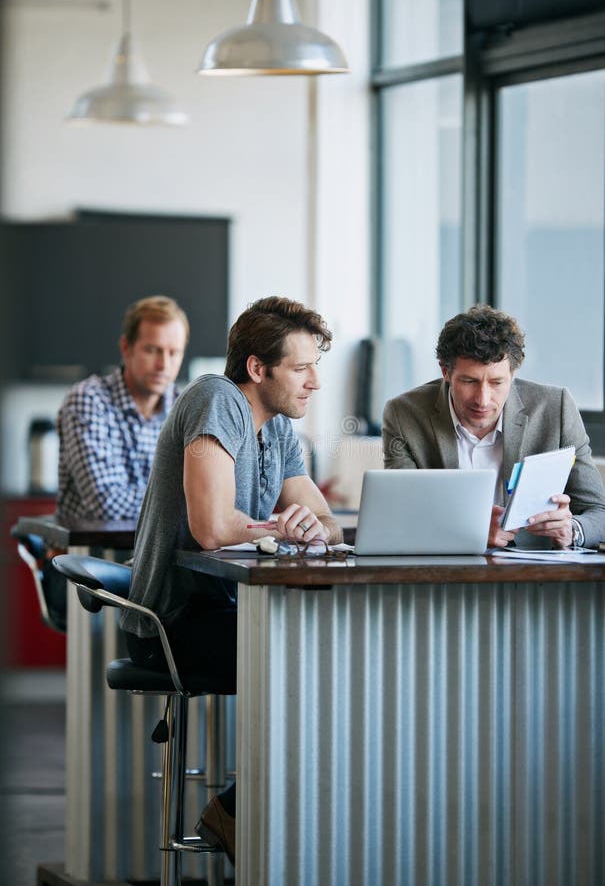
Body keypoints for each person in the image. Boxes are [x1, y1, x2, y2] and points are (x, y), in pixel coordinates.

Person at [121, 295, 343, 864]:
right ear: (256, 368)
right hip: (170, 625)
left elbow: (328, 527)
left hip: (232, 614)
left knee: (338, 660)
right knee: (317, 669)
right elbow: (213, 528)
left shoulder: (282, 431)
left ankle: (255, 817)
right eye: (301, 367)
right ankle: (244, 816)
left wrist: (308, 527)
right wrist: (286, 527)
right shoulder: (214, 398)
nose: (315, 382)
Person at [382, 304, 605, 549]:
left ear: (513, 373)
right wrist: (467, 530)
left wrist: (571, 531)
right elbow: (400, 517)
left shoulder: (556, 408)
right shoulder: (404, 414)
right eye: (469, 381)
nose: (483, 400)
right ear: (445, 372)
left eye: (497, 382)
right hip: (446, 572)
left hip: (536, 577)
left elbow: (599, 512)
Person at [57, 295, 189, 520]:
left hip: (154, 552)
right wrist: (190, 500)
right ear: (126, 347)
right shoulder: (89, 402)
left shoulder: (184, 408)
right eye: (152, 350)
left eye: (173, 353)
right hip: (90, 552)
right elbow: (108, 504)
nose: (163, 365)